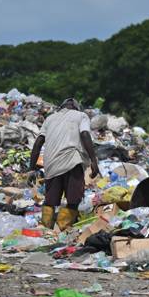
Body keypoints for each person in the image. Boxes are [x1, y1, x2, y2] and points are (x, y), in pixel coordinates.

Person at [29, 98, 100, 230]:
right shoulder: (81, 116)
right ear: (76, 107)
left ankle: (46, 228)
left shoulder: (50, 119)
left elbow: (38, 142)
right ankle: (62, 228)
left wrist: (32, 169)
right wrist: (93, 160)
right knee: (73, 199)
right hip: (72, 160)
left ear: (61, 107)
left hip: (51, 163)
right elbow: (84, 134)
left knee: (50, 200)